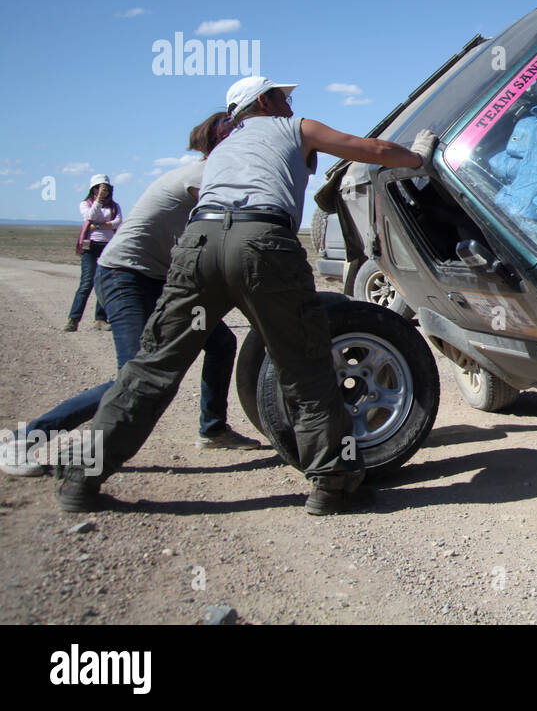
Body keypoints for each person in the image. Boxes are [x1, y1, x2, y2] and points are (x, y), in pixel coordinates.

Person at [55, 76, 432, 515]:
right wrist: (418, 156)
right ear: (263, 101)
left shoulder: (224, 147)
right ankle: (334, 484)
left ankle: (82, 479)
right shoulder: (298, 128)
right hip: (262, 243)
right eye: (283, 97)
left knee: (152, 367)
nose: (290, 104)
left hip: (198, 245)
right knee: (304, 365)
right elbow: (374, 151)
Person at [1, 114, 259, 478]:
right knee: (133, 377)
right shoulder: (203, 179)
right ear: (227, 144)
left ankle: (213, 428)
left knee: (219, 341)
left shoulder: (207, 175)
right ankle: (23, 439)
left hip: (156, 279)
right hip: (125, 276)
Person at [65, 176, 121, 331]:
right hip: (90, 247)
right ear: (93, 189)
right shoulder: (86, 204)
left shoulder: (115, 206)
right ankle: (73, 319)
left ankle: (100, 319)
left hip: (108, 246)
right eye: (98, 188)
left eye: (105, 188)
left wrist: (96, 226)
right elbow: (89, 216)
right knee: (87, 282)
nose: (102, 191)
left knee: (104, 283)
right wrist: (98, 201)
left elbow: (117, 223)